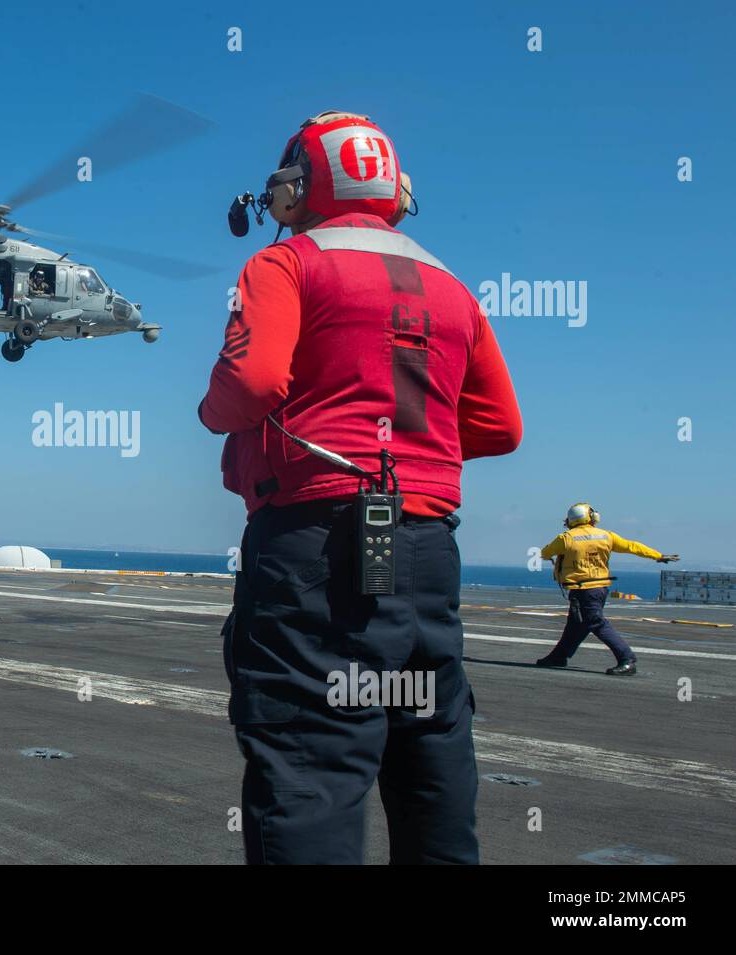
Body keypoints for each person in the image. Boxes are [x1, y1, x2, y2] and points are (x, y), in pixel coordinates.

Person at [200, 111, 522, 864]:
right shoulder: (452, 288)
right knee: (431, 760)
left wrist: (213, 411)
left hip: (316, 552)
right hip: (428, 556)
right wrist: (419, 455)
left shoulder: (285, 265)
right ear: (396, 191)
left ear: (296, 188)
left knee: (311, 764)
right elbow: (501, 427)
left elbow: (248, 384)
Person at [536, 503, 678, 675]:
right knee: (575, 625)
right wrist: (658, 556)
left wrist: (550, 555)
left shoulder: (566, 538)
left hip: (583, 589)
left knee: (596, 623)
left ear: (571, 520)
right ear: (591, 517)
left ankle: (627, 659)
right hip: (600, 588)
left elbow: (545, 553)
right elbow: (631, 546)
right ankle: (559, 656)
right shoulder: (605, 536)